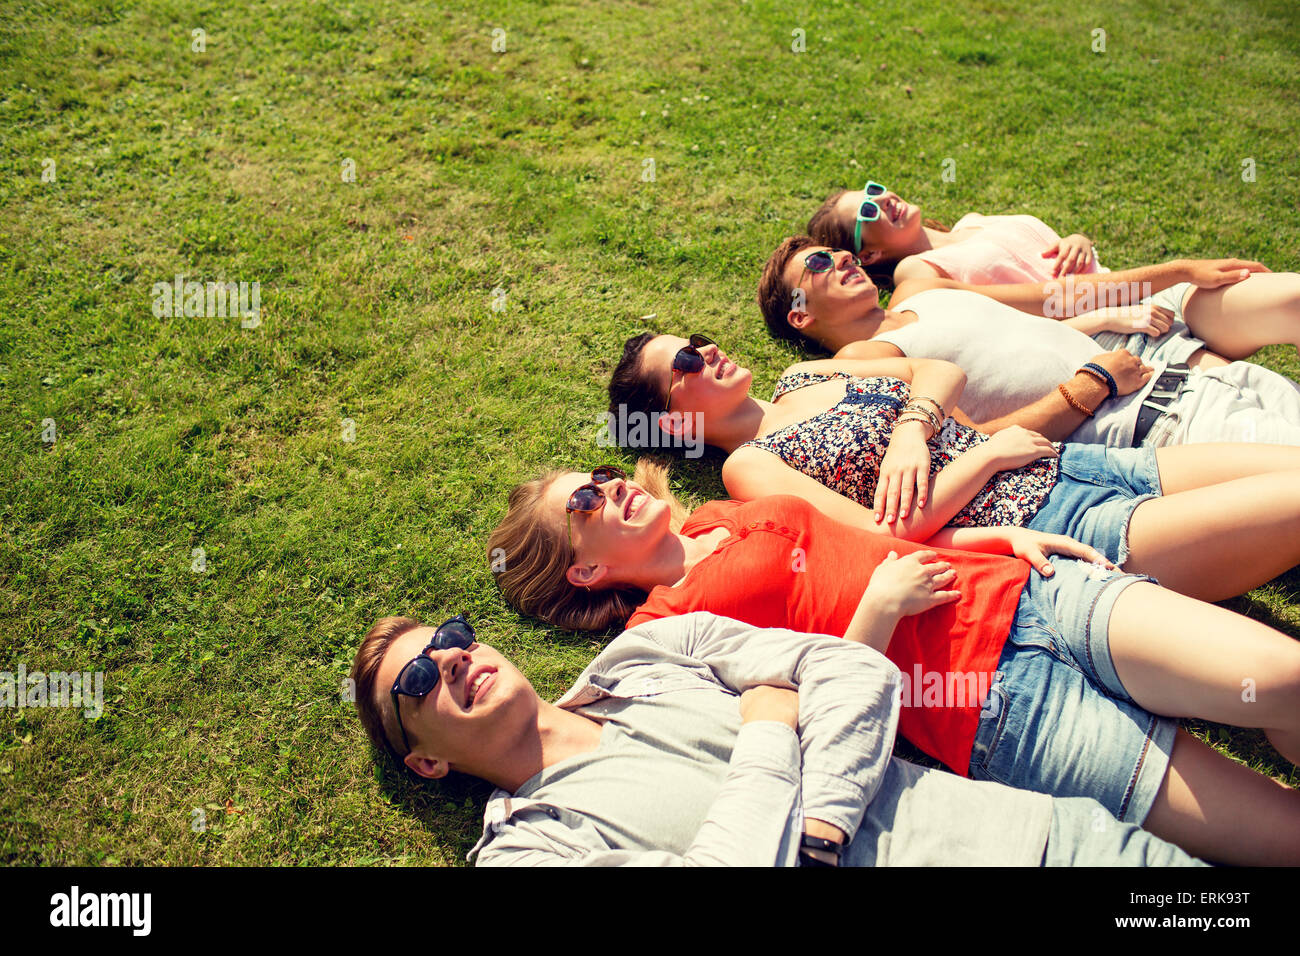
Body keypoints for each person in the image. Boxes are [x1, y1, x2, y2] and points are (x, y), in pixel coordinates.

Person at [486, 465, 1300, 864]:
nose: (608, 489)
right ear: (584, 571)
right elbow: (802, 719)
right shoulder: (664, 636)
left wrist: (994, 537)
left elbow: (877, 536)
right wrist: (875, 613)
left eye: (596, 478)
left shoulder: (723, 511)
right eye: (584, 506)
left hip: (1027, 593)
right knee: (1280, 836)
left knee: (1284, 678)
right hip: (991, 712)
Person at [351, 608, 1204, 866]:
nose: (452, 659)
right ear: (425, 761)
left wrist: (821, 832)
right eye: (418, 681)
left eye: (448, 636)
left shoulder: (647, 651)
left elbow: (851, 672)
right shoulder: (524, 855)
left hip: (1047, 843)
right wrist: (768, 727)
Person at [602, 331, 1300, 604]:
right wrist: (986, 456)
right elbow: (882, 536)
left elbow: (939, 368)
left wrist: (914, 426)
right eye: (685, 365)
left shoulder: (805, 372)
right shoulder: (750, 468)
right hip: (1047, 522)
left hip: (1083, 463)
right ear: (674, 421)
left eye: (696, 340)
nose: (706, 351)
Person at [758, 240, 1300, 449]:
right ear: (800, 314)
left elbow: (1058, 297)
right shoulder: (862, 361)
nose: (845, 260)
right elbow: (966, 446)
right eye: (821, 265)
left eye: (841, 253)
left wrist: (1178, 271)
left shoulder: (922, 287)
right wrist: (1093, 387)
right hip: (1155, 423)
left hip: (1195, 375)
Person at [805, 181, 1300, 363]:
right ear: (867, 257)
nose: (880, 201)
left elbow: (1055, 261)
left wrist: (1077, 241)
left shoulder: (973, 223)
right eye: (865, 214)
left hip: (1146, 293)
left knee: (1292, 300)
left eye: (873, 190)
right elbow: (1054, 300)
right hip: (1115, 336)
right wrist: (1179, 269)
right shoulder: (919, 275)